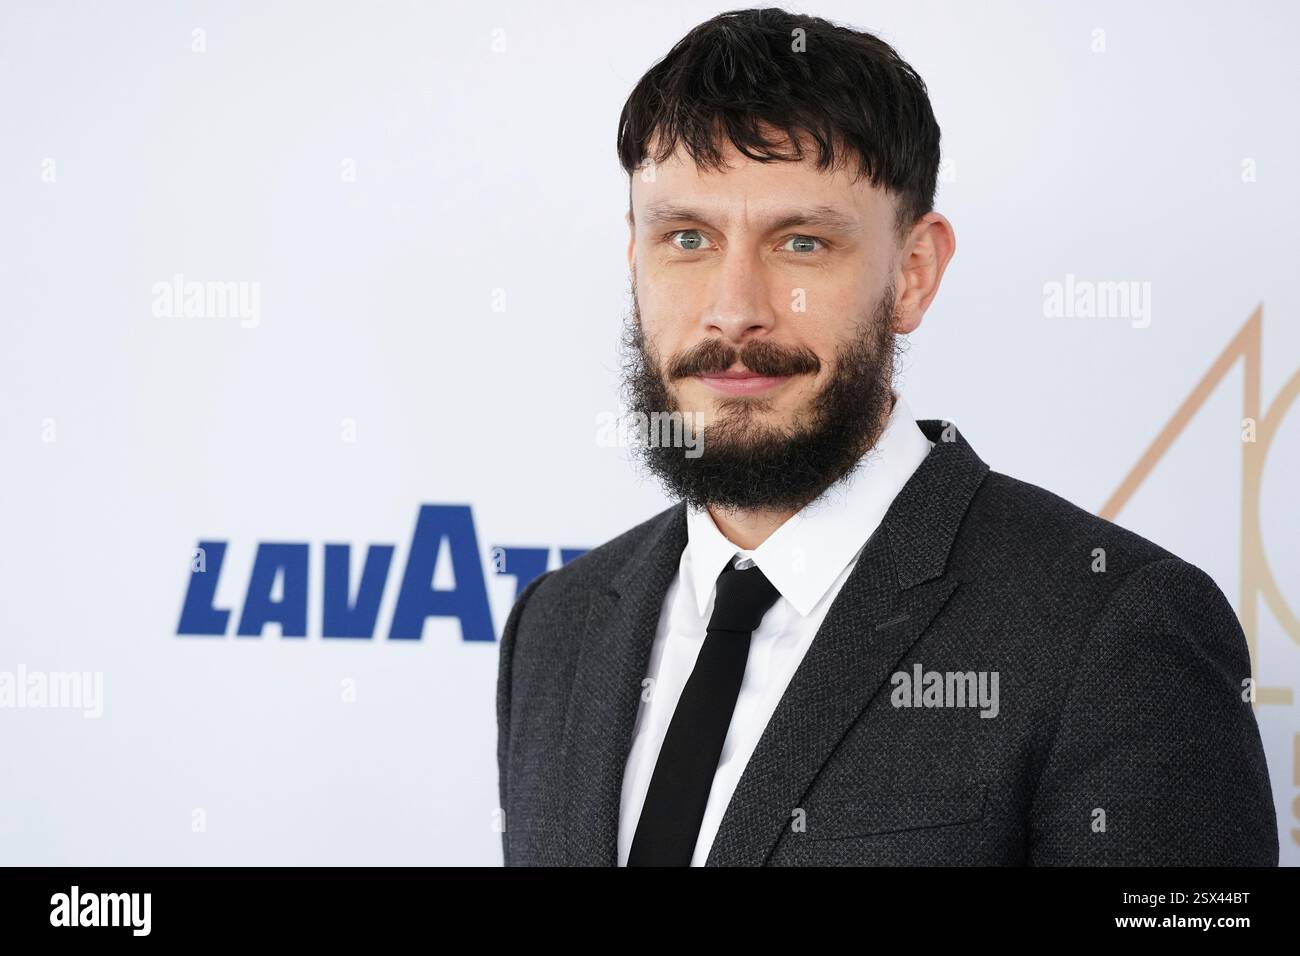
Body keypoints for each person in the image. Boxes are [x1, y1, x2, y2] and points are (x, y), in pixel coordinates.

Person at [496, 7, 1278, 866]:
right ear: (635, 260)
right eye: (687, 237)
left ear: (913, 274)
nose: (735, 310)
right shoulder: (559, 626)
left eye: (802, 241)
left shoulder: (1116, 633)